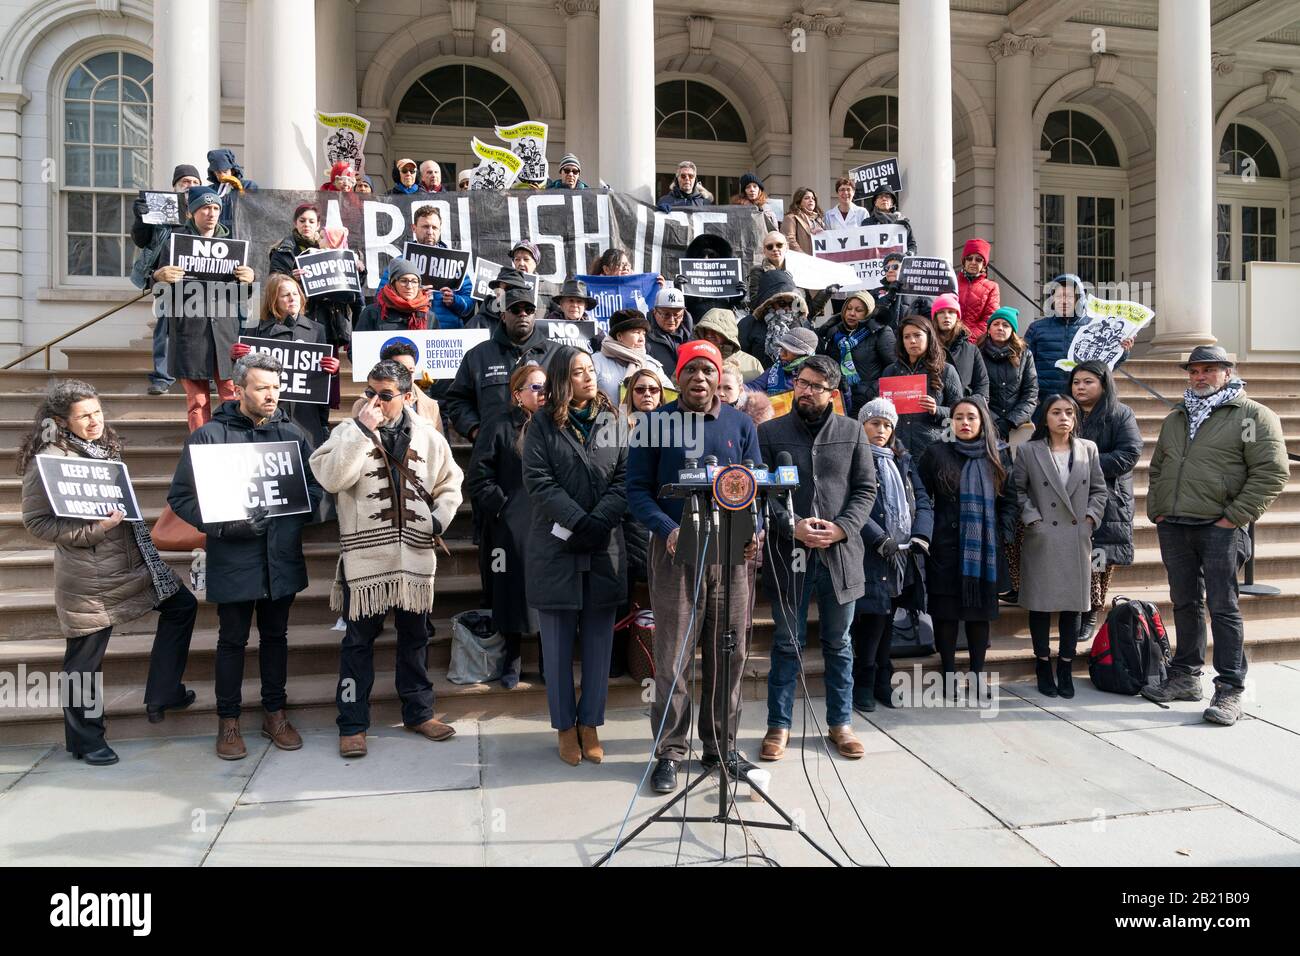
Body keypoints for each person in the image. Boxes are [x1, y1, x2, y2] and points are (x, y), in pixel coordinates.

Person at [19, 381, 199, 765]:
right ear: (60, 421)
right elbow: (36, 522)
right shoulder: (48, 460)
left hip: (134, 563)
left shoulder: (103, 447)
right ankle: (86, 740)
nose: (94, 420)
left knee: (182, 605)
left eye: (97, 412)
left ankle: (163, 691)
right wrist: (93, 532)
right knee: (84, 659)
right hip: (89, 575)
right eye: (84, 415)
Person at [167, 353, 323, 760]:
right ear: (238, 390)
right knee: (231, 641)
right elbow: (181, 497)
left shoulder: (294, 433)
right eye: (262, 388)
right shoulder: (208, 437)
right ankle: (228, 721)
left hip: (281, 555)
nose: (272, 395)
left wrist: (298, 510)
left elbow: (317, 489)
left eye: (276, 387)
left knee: (276, 638)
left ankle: (275, 713)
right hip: (233, 555)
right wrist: (222, 526)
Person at [310, 359, 464, 757]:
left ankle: (419, 712)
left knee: (415, 638)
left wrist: (439, 519)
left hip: (415, 557)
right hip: (367, 564)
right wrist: (362, 431)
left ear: (408, 396)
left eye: (386, 395)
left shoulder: (430, 437)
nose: (375, 401)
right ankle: (352, 723)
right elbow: (331, 479)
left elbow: (451, 483)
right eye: (370, 393)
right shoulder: (348, 432)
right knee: (357, 642)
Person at [627, 341, 761, 793]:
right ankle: (669, 752)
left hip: (732, 552)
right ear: (677, 377)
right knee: (674, 656)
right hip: (675, 554)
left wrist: (755, 529)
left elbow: (755, 481)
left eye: (708, 370)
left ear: (718, 375)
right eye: (691, 371)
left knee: (730, 654)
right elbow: (637, 492)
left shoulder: (741, 423)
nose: (700, 379)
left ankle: (721, 747)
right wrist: (666, 527)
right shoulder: (654, 424)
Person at [1141, 346, 1288, 724]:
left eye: (1209, 369)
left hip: (1219, 526)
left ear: (1227, 372)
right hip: (1175, 524)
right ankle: (1187, 677)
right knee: (1185, 602)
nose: (1199, 376)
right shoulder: (1178, 414)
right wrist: (1156, 507)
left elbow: (1271, 472)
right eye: (1194, 371)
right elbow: (1159, 467)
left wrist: (1234, 517)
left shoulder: (1251, 415)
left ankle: (1230, 690)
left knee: (1224, 608)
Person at [758, 355, 876, 760]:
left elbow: (865, 489)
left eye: (815, 386)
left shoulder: (853, 431)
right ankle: (779, 725)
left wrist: (842, 527)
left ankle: (841, 724)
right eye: (801, 382)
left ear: (833, 393)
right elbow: (765, 490)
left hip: (840, 555)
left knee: (838, 643)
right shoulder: (770, 432)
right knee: (786, 642)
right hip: (787, 553)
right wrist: (791, 526)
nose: (805, 390)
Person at [521, 347, 628, 764]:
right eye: (579, 372)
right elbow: (540, 483)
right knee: (558, 645)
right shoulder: (540, 426)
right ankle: (565, 727)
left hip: (604, 548)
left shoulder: (615, 421)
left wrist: (596, 522)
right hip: (556, 548)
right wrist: (579, 521)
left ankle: (591, 723)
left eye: (591, 371)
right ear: (562, 379)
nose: (589, 378)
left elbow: (624, 479)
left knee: (600, 643)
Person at [917, 396, 1016, 699]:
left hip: (983, 551)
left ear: (982, 421)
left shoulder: (998, 455)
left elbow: (1010, 500)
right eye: (958, 417)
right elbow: (921, 496)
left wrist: (1002, 533)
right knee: (946, 616)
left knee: (978, 616)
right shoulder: (936, 453)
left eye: (971, 417)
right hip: (945, 549)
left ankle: (976, 673)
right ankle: (947, 673)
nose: (964, 423)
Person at [1014, 394, 1109, 698]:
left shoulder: (1088, 450)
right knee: (1040, 605)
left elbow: (1099, 490)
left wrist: (1090, 519)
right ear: (1045, 417)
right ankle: (1043, 665)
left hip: (1076, 535)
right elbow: (1017, 491)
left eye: (1069, 412)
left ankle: (1065, 667)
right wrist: (1033, 520)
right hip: (1042, 537)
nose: (1064, 417)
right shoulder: (1029, 451)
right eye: (1056, 412)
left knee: (1073, 606)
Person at [851, 397, 932, 711]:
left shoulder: (903, 460)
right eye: (874, 423)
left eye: (887, 425)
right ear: (862, 425)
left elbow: (922, 500)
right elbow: (851, 504)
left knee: (888, 617)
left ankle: (884, 679)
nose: (881, 430)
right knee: (871, 619)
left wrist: (922, 534)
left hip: (902, 555)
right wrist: (877, 537)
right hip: (870, 553)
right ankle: (865, 683)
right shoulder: (855, 458)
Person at [467, 363, 546, 688]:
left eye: (546, 388)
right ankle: (510, 659)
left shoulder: (555, 425)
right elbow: (479, 476)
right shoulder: (498, 425)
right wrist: (503, 508)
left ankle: (548, 662)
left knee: (548, 592)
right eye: (536, 388)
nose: (543, 394)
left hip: (548, 522)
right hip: (508, 525)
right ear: (517, 394)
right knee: (510, 590)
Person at [153, 186, 255, 432]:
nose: (211, 213)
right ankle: (201, 450)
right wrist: (158, 275)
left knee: (232, 396)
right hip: (190, 331)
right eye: (205, 208)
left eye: (216, 208)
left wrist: (250, 280)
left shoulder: (233, 246)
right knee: (197, 402)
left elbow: (242, 295)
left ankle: (235, 442)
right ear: (192, 212)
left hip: (225, 333)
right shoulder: (174, 243)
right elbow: (158, 290)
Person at [1069, 360, 1141, 639]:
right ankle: (1072, 609)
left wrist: (1085, 465)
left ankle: (1090, 614)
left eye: (1088, 382)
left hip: (1108, 497)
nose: (1081, 387)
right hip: (1068, 495)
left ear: (1103, 384)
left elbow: (1129, 454)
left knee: (1098, 559)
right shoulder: (1065, 410)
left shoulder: (1120, 414)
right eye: (1076, 382)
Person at [230, 272, 339, 446]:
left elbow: (321, 382)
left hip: (305, 416)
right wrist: (236, 359)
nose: (292, 298)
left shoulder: (317, 330)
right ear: (274, 300)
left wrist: (332, 371)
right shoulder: (256, 329)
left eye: (295, 294)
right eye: (285, 295)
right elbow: (242, 376)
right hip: (267, 412)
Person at [446, 286, 559, 443]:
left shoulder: (557, 355)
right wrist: (475, 430)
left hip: (547, 448)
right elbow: (457, 400)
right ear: (503, 316)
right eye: (515, 310)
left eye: (529, 310)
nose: (523, 314)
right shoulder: (478, 355)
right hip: (493, 454)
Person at [132, 163, 204, 395]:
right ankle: (163, 377)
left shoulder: (208, 208)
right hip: (170, 276)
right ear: (175, 187)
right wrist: (140, 218)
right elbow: (142, 240)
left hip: (202, 276)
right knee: (165, 327)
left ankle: (205, 374)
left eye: (194, 182)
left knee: (205, 327)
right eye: (185, 182)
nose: (190, 186)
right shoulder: (161, 209)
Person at [1024, 274, 1133, 406]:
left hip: (1083, 403)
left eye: (1069, 296)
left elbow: (1104, 368)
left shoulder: (1094, 327)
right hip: (1044, 403)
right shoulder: (1036, 328)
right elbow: (1024, 367)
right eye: (1058, 296)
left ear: (1079, 299)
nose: (1063, 301)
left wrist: (1123, 351)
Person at [267, 202, 360, 354]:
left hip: (329, 322)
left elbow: (352, 285)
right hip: (296, 318)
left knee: (328, 368)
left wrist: (357, 269)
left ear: (318, 225)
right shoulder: (283, 250)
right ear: (295, 223)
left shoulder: (329, 246)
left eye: (311, 221)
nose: (306, 225)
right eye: (302, 220)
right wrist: (292, 278)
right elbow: (273, 282)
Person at [373, 206, 475, 329]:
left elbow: (469, 305)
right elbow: (381, 299)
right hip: (411, 332)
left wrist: (455, 301)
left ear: (440, 230)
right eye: (425, 226)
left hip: (448, 335)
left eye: (435, 227)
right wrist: (413, 296)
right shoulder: (399, 263)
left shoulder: (455, 261)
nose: (430, 232)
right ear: (414, 228)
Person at [880, 314, 964, 459]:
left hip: (933, 449)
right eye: (906, 337)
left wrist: (936, 409)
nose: (912, 341)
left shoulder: (946, 370)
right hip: (897, 448)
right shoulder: (890, 371)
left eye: (917, 335)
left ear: (929, 337)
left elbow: (960, 412)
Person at [818, 289, 895, 414]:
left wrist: (872, 390)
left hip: (869, 401)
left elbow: (893, 367)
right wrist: (822, 332)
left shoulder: (881, 332)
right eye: (848, 308)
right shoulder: (834, 332)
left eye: (859, 310)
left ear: (868, 313)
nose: (852, 313)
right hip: (839, 399)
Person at [351, 339, 444, 431]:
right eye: (401, 371)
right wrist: (363, 429)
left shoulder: (431, 405)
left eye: (411, 371)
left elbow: (438, 443)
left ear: (407, 397)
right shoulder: (362, 405)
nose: (407, 376)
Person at [979, 306, 1039, 441]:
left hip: (1018, 427)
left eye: (1006, 325)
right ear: (989, 329)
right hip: (985, 424)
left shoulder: (1025, 355)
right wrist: (992, 419)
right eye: (996, 324)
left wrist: (1010, 421)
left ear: (1012, 330)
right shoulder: (977, 353)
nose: (1000, 328)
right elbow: (973, 390)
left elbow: (1031, 393)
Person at [592, 308, 668, 405]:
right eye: (636, 332)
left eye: (643, 334)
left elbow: (670, 398)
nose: (642, 339)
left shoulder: (652, 365)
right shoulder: (595, 362)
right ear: (619, 336)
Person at [741, 269, 812, 366]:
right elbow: (741, 356)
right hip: (759, 377)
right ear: (770, 302)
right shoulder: (750, 323)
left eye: (791, 303)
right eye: (782, 303)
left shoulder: (802, 322)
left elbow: (814, 355)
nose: (787, 308)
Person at [931, 293, 990, 401]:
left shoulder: (971, 350)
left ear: (957, 317)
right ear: (935, 317)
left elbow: (982, 383)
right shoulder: (928, 347)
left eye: (951, 312)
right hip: (934, 409)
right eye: (941, 312)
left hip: (964, 411)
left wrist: (973, 407)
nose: (946, 316)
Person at [355, 257, 434, 333]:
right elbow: (358, 346)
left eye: (414, 281)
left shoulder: (430, 317)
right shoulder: (372, 313)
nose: (409, 286)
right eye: (403, 281)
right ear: (393, 284)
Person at [693, 308, 765, 382]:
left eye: (715, 331)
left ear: (728, 334)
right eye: (706, 331)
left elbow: (762, 390)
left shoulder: (752, 363)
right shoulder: (694, 360)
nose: (709, 335)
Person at [870, 252, 930, 330]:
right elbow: (871, 317)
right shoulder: (875, 292)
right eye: (886, 268)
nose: (890, 270)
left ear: (906, 269)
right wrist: (888, 297)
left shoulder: (919, 293)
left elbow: (929, 321)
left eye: (895, 267)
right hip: (884, 339)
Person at [205, 148, 258, 235]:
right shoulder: (210, 190)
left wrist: (241, 191)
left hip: (240, 233)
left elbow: (256, 209)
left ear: (232, 170)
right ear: (214, 173)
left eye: (225, 171)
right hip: (217, 234)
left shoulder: (248, 185)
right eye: (218, 172)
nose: (222, 175)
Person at [955, 238, 1000, 339]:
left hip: (976, 344)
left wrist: (969, 338)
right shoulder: (952, 282)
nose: (973, 262)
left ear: (984, 264)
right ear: (964, 261)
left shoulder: (992, 287)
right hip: (950, 340)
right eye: (969, 258)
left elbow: (989, 318)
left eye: (978, 259)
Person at [759, 326, 819, 396]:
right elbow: (754, 386)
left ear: (803, 355)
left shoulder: (815, 379)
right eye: (782, 349)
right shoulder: (775, 369)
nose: (781, 354)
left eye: (788, 351)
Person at [468, 265, 530, 334]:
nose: (510, 294)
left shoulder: (529, 320)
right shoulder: (479, 322)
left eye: (515, 290)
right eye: (507, 289)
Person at [645, 285, 692, 371]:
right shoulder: (643, 339)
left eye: (676, 315)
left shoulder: (694, 337)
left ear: (683, 314)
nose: (671, 320)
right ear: (655, 312)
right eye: (666, 315)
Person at [863, 183, 917, 255]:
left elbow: (912, 244)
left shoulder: (902, 222)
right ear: (875, 203)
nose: (884, 199)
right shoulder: (867, 223)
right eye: (880, 197)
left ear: (892, 203)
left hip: (897, 263)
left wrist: (910, 253)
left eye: (887, 197)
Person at [720, 362, 774, 426]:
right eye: (717, 387)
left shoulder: (755, 414)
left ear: (740, 390)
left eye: (728, 388)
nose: (721, 393)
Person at [781, 186, 825, 255]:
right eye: (807, 198)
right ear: (799, 202)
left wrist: (823, 233)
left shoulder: (819, 220)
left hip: (819, 260)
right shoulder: (791, 218)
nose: (811, 200)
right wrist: (804, 257)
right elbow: (790, 241)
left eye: (813, 198)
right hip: (801, 261)